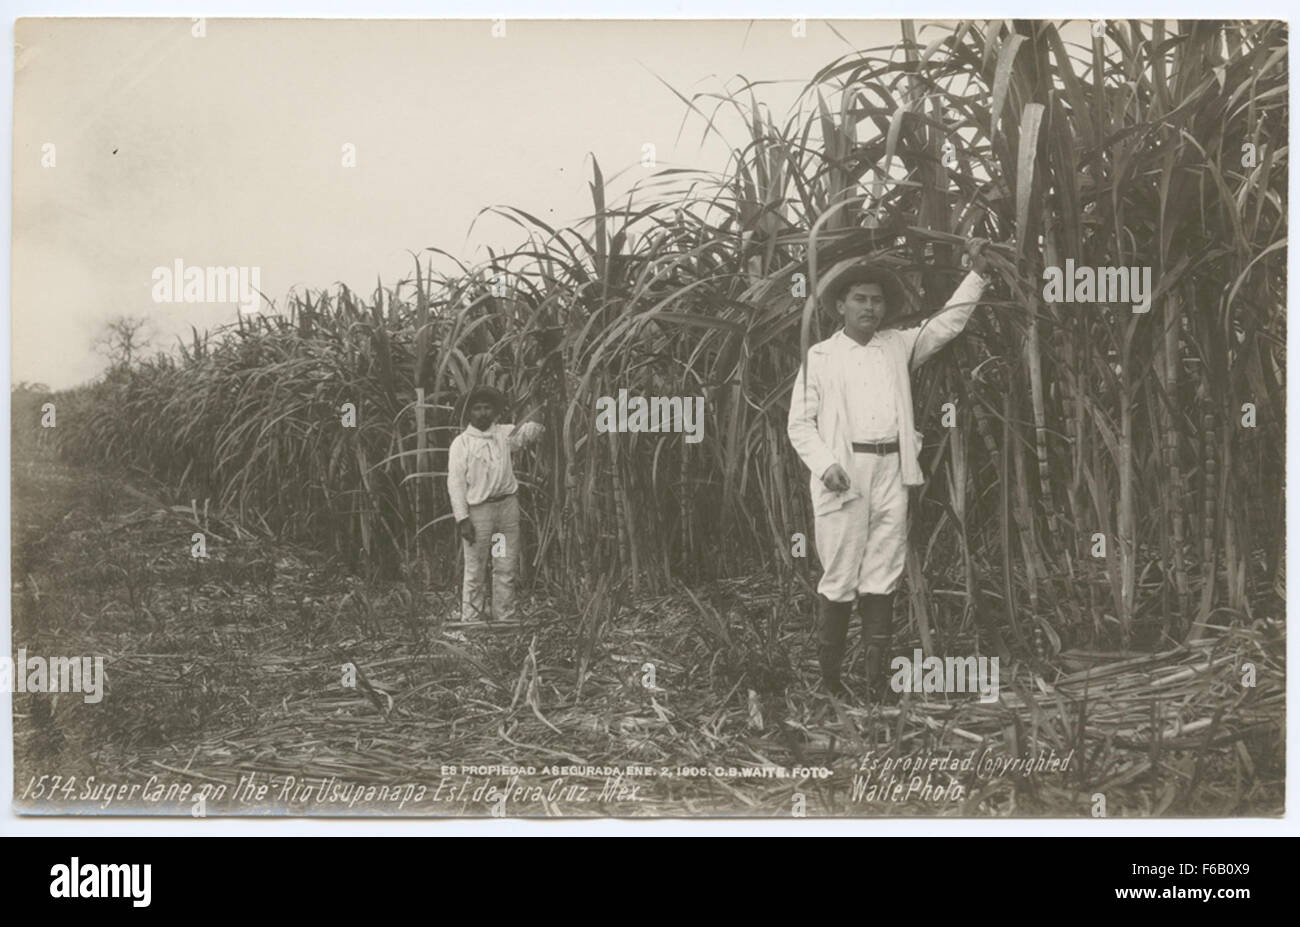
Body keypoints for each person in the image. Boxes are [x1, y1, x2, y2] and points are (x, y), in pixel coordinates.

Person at [786, 239, 994, 698]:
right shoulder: (819, 357)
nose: (870, 307)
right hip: (845, 473)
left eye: (877, 300)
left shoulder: (898, 346)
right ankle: (831, 683)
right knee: (840, 575)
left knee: (883, 570)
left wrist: (976, 275)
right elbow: (799, 424)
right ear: (841, 305)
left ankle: (877, 682)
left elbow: (947, 325)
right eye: (859, 298)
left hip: (892, 470)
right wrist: (826, 467)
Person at [446, 385, 545, 623]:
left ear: (494, 411)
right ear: (469, 413)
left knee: (504, 564)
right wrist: (462, 519)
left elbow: (534, 431)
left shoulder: (505, 435)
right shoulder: (462, 444)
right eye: (477, 408)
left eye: (487, 408)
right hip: (479, 513)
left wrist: (540, 400)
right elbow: (456, 483)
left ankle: (504, 615)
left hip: (506, 511)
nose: (482, 413)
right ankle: (472, 619)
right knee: (475, 567)